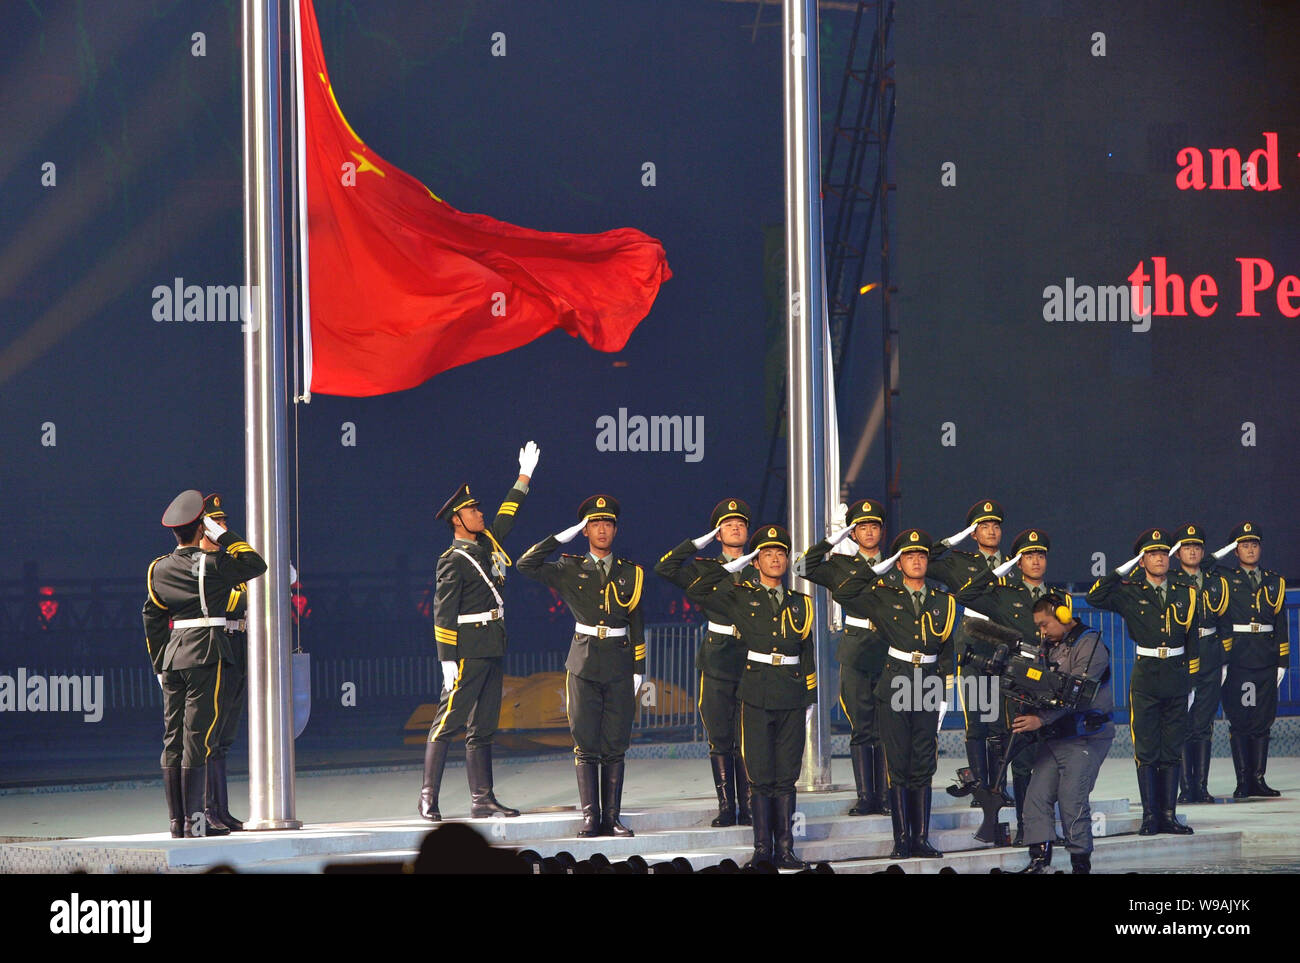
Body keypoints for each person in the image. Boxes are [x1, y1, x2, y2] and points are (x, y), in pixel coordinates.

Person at [420, 441, 539, 822]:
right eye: (472, 509)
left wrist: (524, 476)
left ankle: (482, 799)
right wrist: (446, 660)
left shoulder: (487, 545)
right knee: (448, 721)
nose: (480, 512)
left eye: (477, 507)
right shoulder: (451, 560)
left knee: (483, 725)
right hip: (467, 649)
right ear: (457, 519)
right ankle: (428, 798)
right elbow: (443, 611)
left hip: (491, 645)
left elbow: (508, 513)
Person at [684, 525, 815, 869]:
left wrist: (810, 698)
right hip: (755, 692)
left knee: (786, 775)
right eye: (766, 554)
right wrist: (730, 565)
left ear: (787, 560)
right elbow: (697, 587)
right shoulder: (742, 596)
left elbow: (807, 653)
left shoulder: (802, 604)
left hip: (790, 693)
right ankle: (762, 851)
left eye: (780, 553)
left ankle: (784, 849)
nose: (775, 559)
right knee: (759, 774)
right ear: (755, 562)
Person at [518, 495, 646, 838]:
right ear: (585, 530)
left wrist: (639, 667)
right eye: (594, 524)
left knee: (616, 742)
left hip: (620, 662)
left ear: (615, 530)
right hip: (584, 662)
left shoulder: (631, 572)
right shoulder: (569, 566)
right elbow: (525, 564)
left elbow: (636, 621)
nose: (601, 530)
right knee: (586, 742)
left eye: (607, 524)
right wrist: (562, 536)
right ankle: (591, 817)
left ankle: (612, 818)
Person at [142, 490, 267, 837]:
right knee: (198, 738)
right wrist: (223, 535)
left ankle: (177, 823)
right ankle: (196, 824)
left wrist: (158, 663)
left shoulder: (158, 568)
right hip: (206, 652)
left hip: (172, 657)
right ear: (202, 528)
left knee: (173, 739)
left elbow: (151, 617)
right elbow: (256, 564)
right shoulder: (211, 565)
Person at [832, 528, 958, 860]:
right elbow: (845, 593)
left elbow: (947, 651)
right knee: (899, 762)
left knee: (924, 763)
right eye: (908, 556)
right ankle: (902, 839)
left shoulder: (943, 601)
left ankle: (921, 838)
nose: (916, 561)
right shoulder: (885, 595)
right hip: (896, 682)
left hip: (927, 683)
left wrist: (944, 693)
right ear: (898, 563)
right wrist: (877, 567)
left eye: (921, 556)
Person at [941, 527, 1061, 844]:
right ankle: (1023, 824)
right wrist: (996, 572)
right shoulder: (1006, 595)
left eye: (1040, 556)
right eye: (1028, 556)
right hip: (1018, 686)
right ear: (1017, 562)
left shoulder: (1058, 599)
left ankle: (1045, 825)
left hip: (1048, 688)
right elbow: (965, 596)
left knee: (1050, 758)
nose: (1035, 562)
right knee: (1019, 758)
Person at [1087, 528, 1196, 836]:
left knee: (1172, 746)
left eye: (1163, 553)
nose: (1159, 558)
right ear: (1142, 560)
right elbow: (1095, 596)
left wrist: (1193, 678)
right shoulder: (1129, 590)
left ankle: (1169, 815)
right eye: (1151, 554)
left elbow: (1193, 636)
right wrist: (1123, 569)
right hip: (1147, 673)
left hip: (1176, 670)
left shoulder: (1185, 590)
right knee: (1147, 746)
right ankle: (1150, 816)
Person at [654, 498, 756, 827]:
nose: (735, 527)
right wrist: (696, 544)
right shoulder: (704, 568)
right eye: (727, 524)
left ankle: (752, 806)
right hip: (718, 658)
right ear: (717, 533)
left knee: (749, 737)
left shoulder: (760, 566)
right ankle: (728, 807)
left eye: (740, 523)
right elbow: (665, 568)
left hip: (754, 657)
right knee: (721, 736)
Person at [794, 498, 891, 815]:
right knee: (862, 727)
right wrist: (832, 539)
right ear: (853, 532)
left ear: (882, 531)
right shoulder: (841, 565)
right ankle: (868, 797)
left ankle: (890, 794)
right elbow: (802, 567)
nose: (869, 532)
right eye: (862, 527)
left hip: (892, 650)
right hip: (857, 649)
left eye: (874, 526)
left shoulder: (898, 562)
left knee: (890, 726)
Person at [1014, 595, 1115, 874]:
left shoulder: (1091, 645)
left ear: (1062, 615)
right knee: (1036, 796)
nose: (1042, 631)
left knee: (1072, 797)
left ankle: (1080, 864)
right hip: (1056, 735)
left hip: (1086, 735)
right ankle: (1039, 861)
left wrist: (1040, 719)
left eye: (1045, 624)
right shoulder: (1047, 647)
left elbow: (1078, 696)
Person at [926, 500, 1012, 823]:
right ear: (974, 533)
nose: (991, 531)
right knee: (977, 721)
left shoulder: (1014, 563)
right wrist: (954, 539)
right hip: (975, 644)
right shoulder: (959, 562)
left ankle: (999, 787)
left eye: (995, 525)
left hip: (1007, 646)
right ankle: (980, 789)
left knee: (1001, 723)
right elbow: (924, 559)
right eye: (983, 526)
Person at [1218, 522, 1288, 798]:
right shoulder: (1224, 579)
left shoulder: (1274, 581)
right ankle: (1243, 781)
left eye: (1254, 544)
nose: (1250, 549)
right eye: (1244, 545)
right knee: (1240, 719)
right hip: (1237, 657)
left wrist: (1283, 660)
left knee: (1262, 719)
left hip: (1266, 657)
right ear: (1235, 550)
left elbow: (1281, 623)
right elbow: (1206, 565)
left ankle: (1259, 779)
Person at [198, 492, 249, 832]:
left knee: (225, 735)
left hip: (238, 645)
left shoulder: (226, 565)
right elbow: (232, 600)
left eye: (225, 524)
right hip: (215, 646)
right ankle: (206, 811)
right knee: (209, 735)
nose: (223, 529)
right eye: (217, 524)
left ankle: (221, 809)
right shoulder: (200, 567)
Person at [1170, 523, 1229, 804]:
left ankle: (1201, 787)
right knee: (1182, 721)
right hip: (1182, 655)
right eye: (1186, 547)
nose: (1192, 551)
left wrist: (1224, 658)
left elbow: (1225, 621)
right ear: (1176, 552)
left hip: (1209, 653)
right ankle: (1185, 788)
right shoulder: (1169, 581)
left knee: (1203, 723)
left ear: (1203, 551)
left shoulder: (1216, 581)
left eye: (1196, 547)